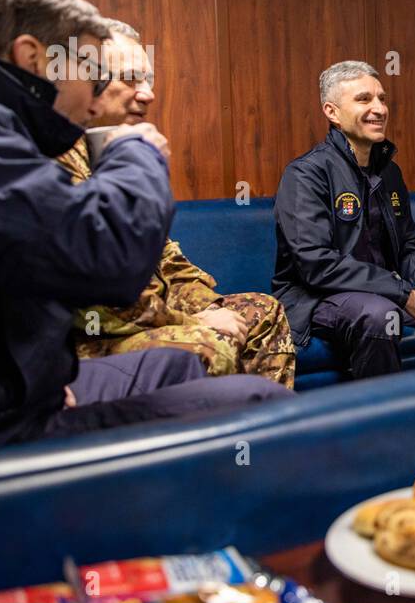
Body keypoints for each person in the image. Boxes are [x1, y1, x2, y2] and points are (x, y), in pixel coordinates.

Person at [0, 0, 291, 443]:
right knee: (260, 403)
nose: (98, 94)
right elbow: (106, 259)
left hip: (5, 388)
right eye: (93, 73)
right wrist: (133, 150)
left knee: (178, 360)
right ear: (33, 57)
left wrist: (44, 377)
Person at [55, 19, 295, 388]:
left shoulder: (114, 151)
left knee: (261, 312)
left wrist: (206, 306)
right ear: (90, 82)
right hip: (85, 336)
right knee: (210, 343)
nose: (148, 94)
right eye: (132, 79)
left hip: (141, 319)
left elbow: (167, 261)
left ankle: (260, 434)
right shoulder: (56, 157)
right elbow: (100, 301)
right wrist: (192, 323)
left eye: (148, 80)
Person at [272, 61, 415, 378]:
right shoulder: (305, 174)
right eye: (364, 99)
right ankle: (392, 420)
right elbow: (316, 263)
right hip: (320, 298)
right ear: (332, 112)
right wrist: (404, 294)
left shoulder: (389, 172)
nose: (379, 108)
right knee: (379, 315)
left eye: (382, 98)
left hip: (387, 291)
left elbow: (408, 243)